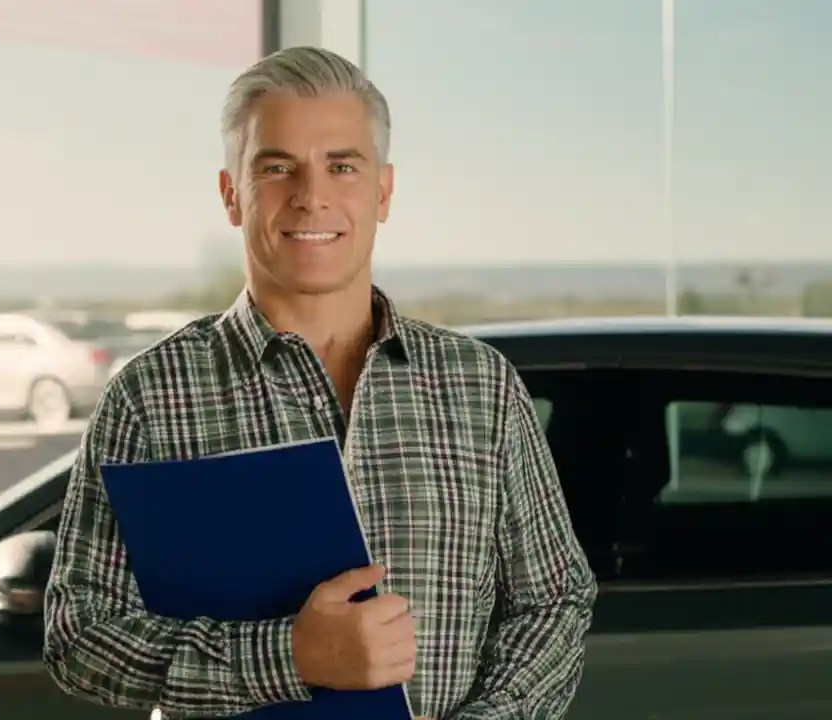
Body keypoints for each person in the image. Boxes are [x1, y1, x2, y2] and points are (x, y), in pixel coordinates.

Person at [43, 46, 598, 720]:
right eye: (277, 168)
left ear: (383, 192)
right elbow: (78, 633)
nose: (312, 196)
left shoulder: (480, 387)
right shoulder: (150, 395)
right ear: (230, 195)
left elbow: (555, 601)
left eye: (342, 166)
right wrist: (289, 658)